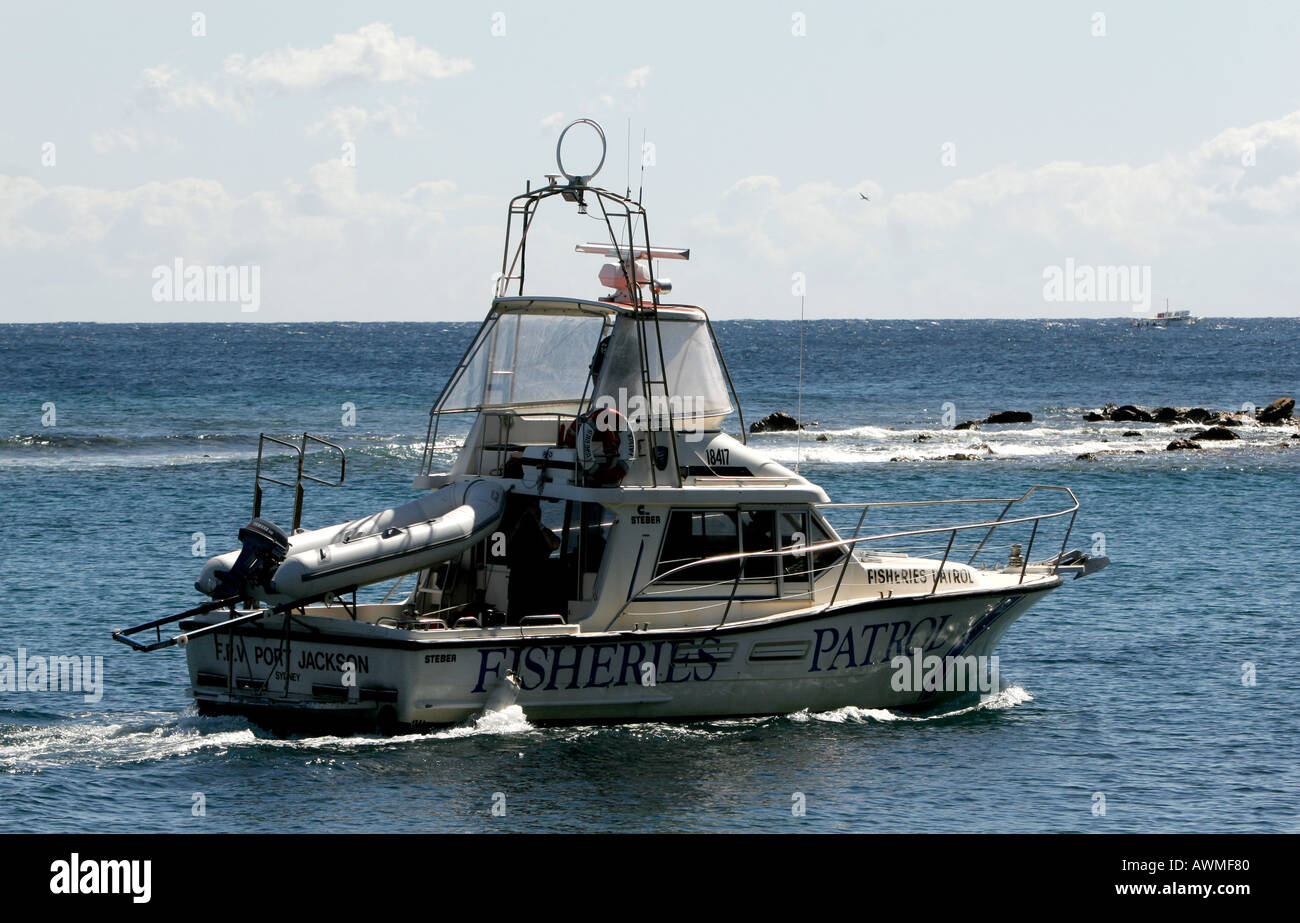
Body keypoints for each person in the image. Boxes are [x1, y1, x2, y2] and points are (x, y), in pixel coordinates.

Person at [505, 496, 560, 624]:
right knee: (514, 620)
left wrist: (538, 523)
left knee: (536, 620)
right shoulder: (516, 534)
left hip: (537, 585)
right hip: (518, 586)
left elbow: (555, 544)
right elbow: (500, 547)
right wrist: (518, 523)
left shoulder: (543, 534)